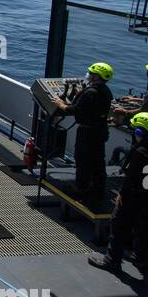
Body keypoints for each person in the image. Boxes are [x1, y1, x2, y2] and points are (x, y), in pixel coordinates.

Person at [90, 112, 148, 273]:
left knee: (118, 227)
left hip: (133, 195)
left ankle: (111, 260)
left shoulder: (138, 151)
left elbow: (129, 174)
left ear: (140, 132)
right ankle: (141, 260)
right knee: (143, 228)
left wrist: (121, 195)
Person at [52, 62, 114, 210]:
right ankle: (98, 190)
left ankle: (81, 190)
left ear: (96, 76)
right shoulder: (106, 91)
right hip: (100, 131)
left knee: (83, 161)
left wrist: (61, 104)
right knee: (98, 162)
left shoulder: (90, 93)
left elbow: (75, 110)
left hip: (87, 132)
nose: (88, 75)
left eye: (91, 73)